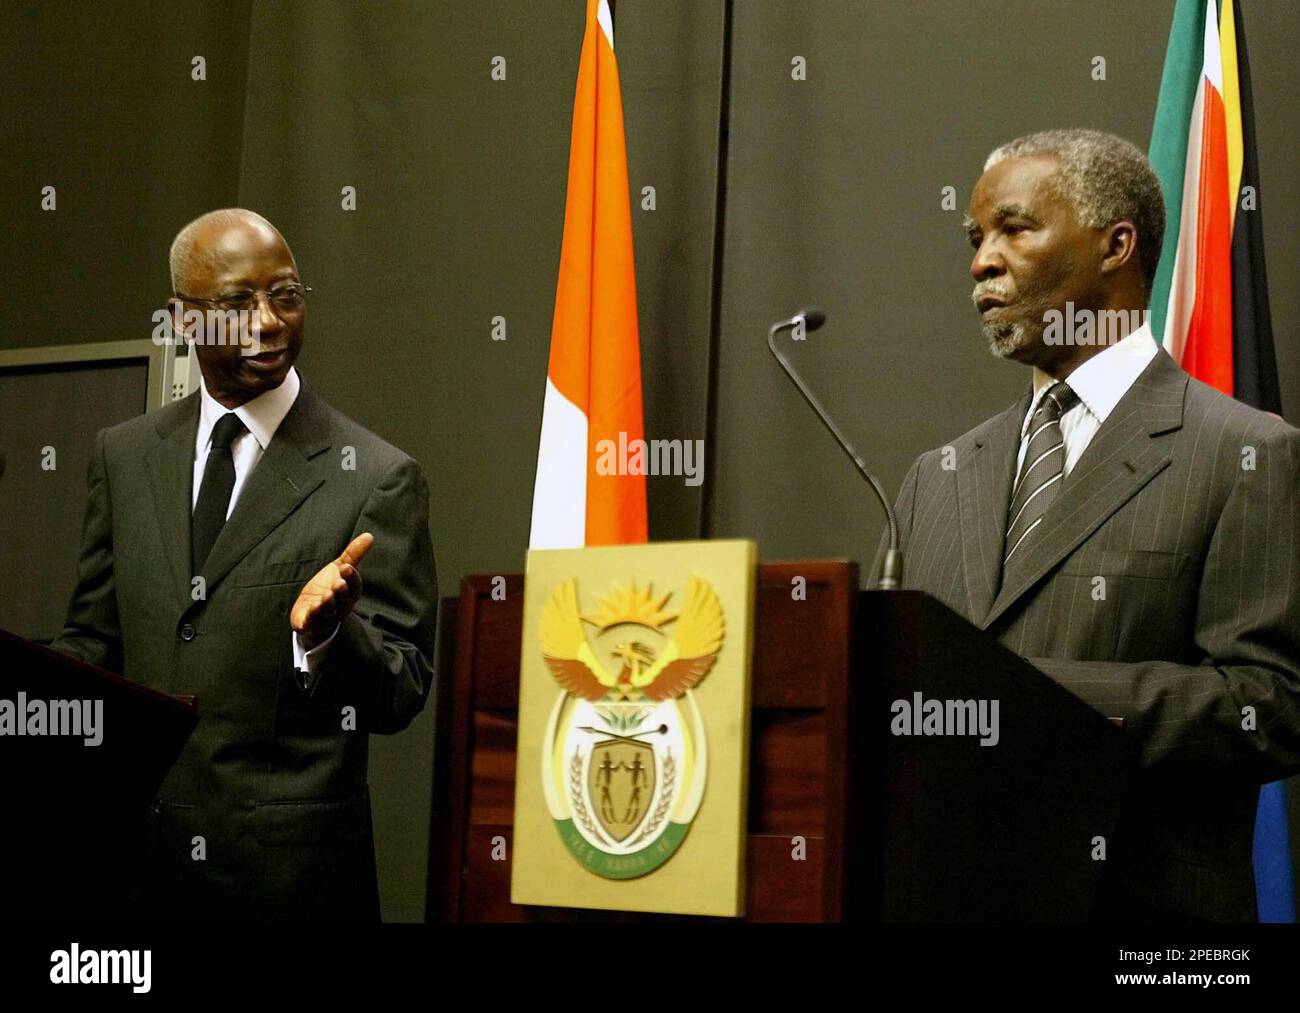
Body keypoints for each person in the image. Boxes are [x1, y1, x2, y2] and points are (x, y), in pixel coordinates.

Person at [890, 129, 1300, 921]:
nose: (982, 260)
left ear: (1117, 244)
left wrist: (1026, 697)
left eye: (1015, 228)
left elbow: (1272, 703)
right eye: (977, 238)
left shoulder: (1246, 453)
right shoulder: (936, 476)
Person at [53, 208, 438, 922]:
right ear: (182, 320)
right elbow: (93, 647)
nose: (267, 321)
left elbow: (402, 688)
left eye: (286, 295)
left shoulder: (376, 477)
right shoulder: (123, 456)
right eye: (237, 303)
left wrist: (327, 636)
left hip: (291, 890)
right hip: (137, 880)